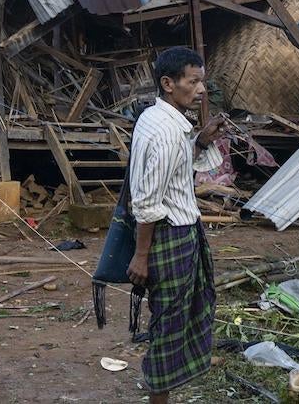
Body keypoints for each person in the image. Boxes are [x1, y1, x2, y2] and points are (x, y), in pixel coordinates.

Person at [126, 46, 226, 403]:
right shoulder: (167, 132)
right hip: (171, 236)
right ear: (169, 83)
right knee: (169, 323)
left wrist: (199, 142)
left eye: (202, 81)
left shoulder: (162, 120)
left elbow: (174, 174)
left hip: (179, 232)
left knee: (174, 317)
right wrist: (141, 256)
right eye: (193, 81)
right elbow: (149, 202)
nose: (201, 89)